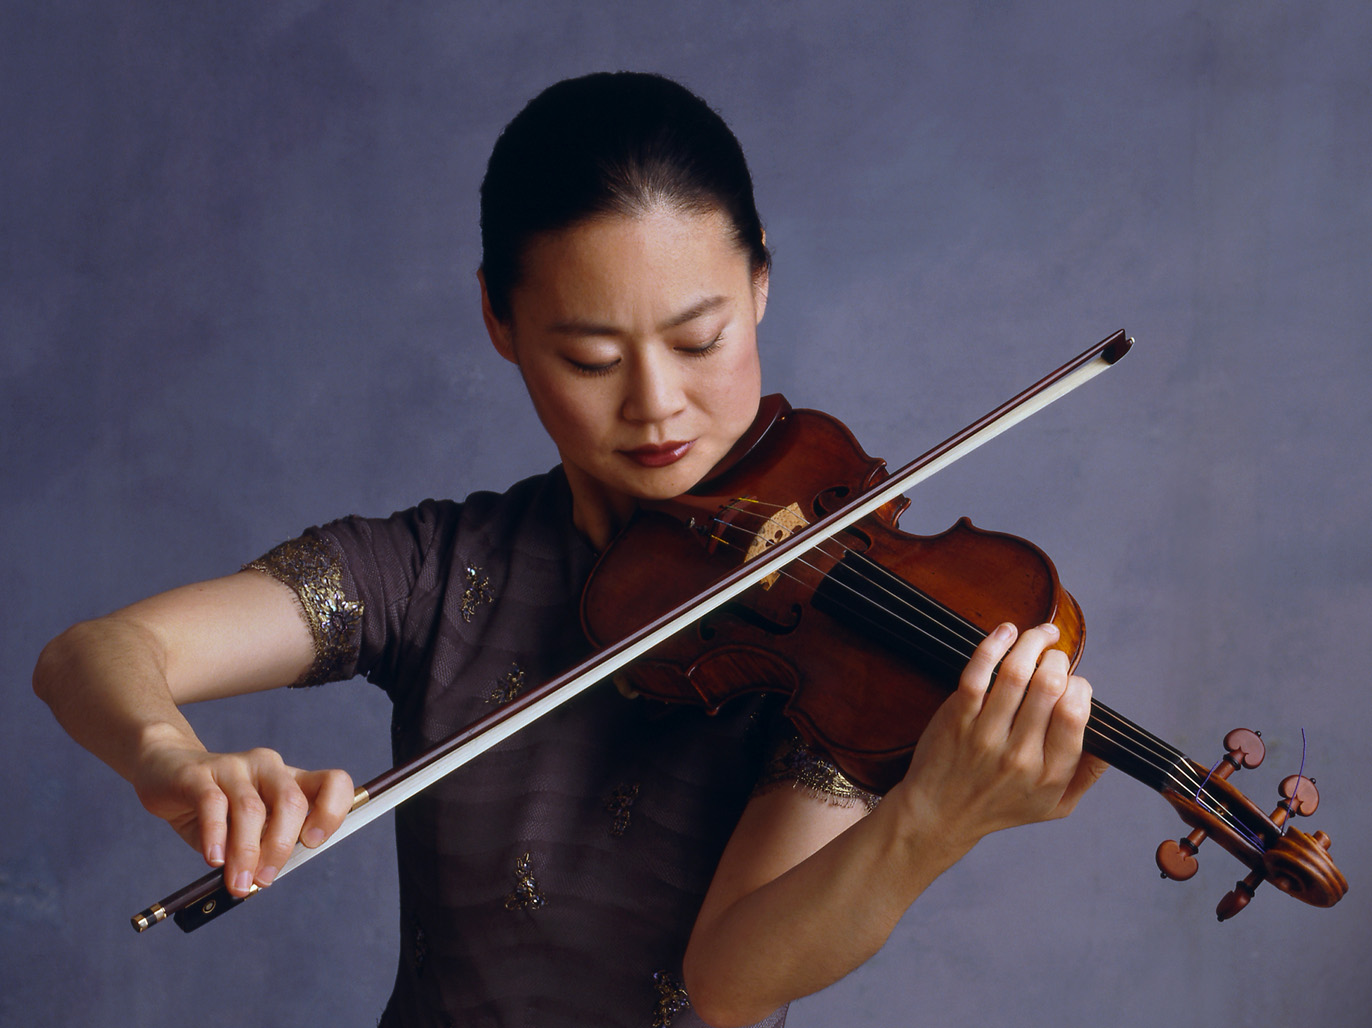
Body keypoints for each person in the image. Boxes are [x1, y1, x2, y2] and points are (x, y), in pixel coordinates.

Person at [32, 72, 1105, 1028]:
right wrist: (175, 762)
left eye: (700, 338)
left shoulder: (823, 625)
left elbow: (732, 982)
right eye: (590, 355)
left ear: (761, 284)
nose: (655, 403)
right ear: (499, 320)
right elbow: (96, 652)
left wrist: (927, 818)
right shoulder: (431, 568)